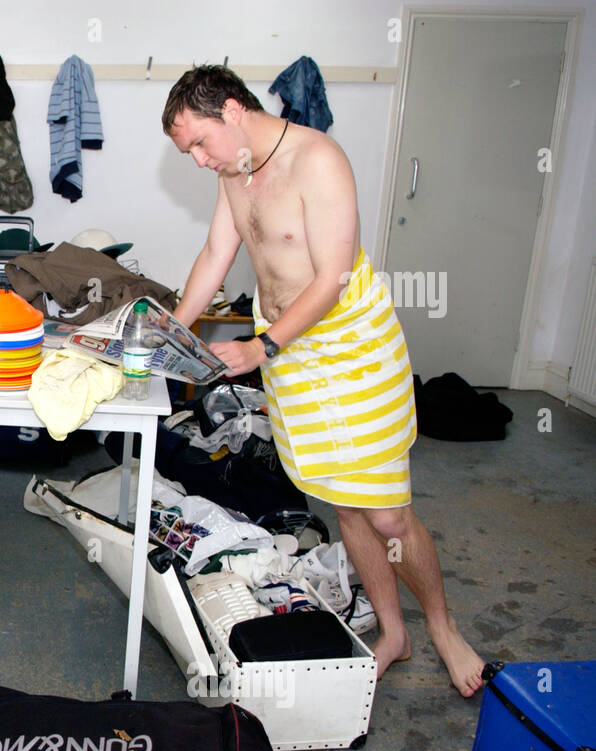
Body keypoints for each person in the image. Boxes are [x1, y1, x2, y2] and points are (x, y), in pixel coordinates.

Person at [162, 65, 484, 697]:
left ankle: (443, 628)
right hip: (291, 358)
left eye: (199, 143)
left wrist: (262, 346)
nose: (198, 161)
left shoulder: (318, 160)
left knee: (387, 514)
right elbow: (215, 257)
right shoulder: (234, 174)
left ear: (231, 110)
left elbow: (333, 278)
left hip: (349, 349)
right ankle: (394, 632)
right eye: (187, 152)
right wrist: (167, 332)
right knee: (344, 502)